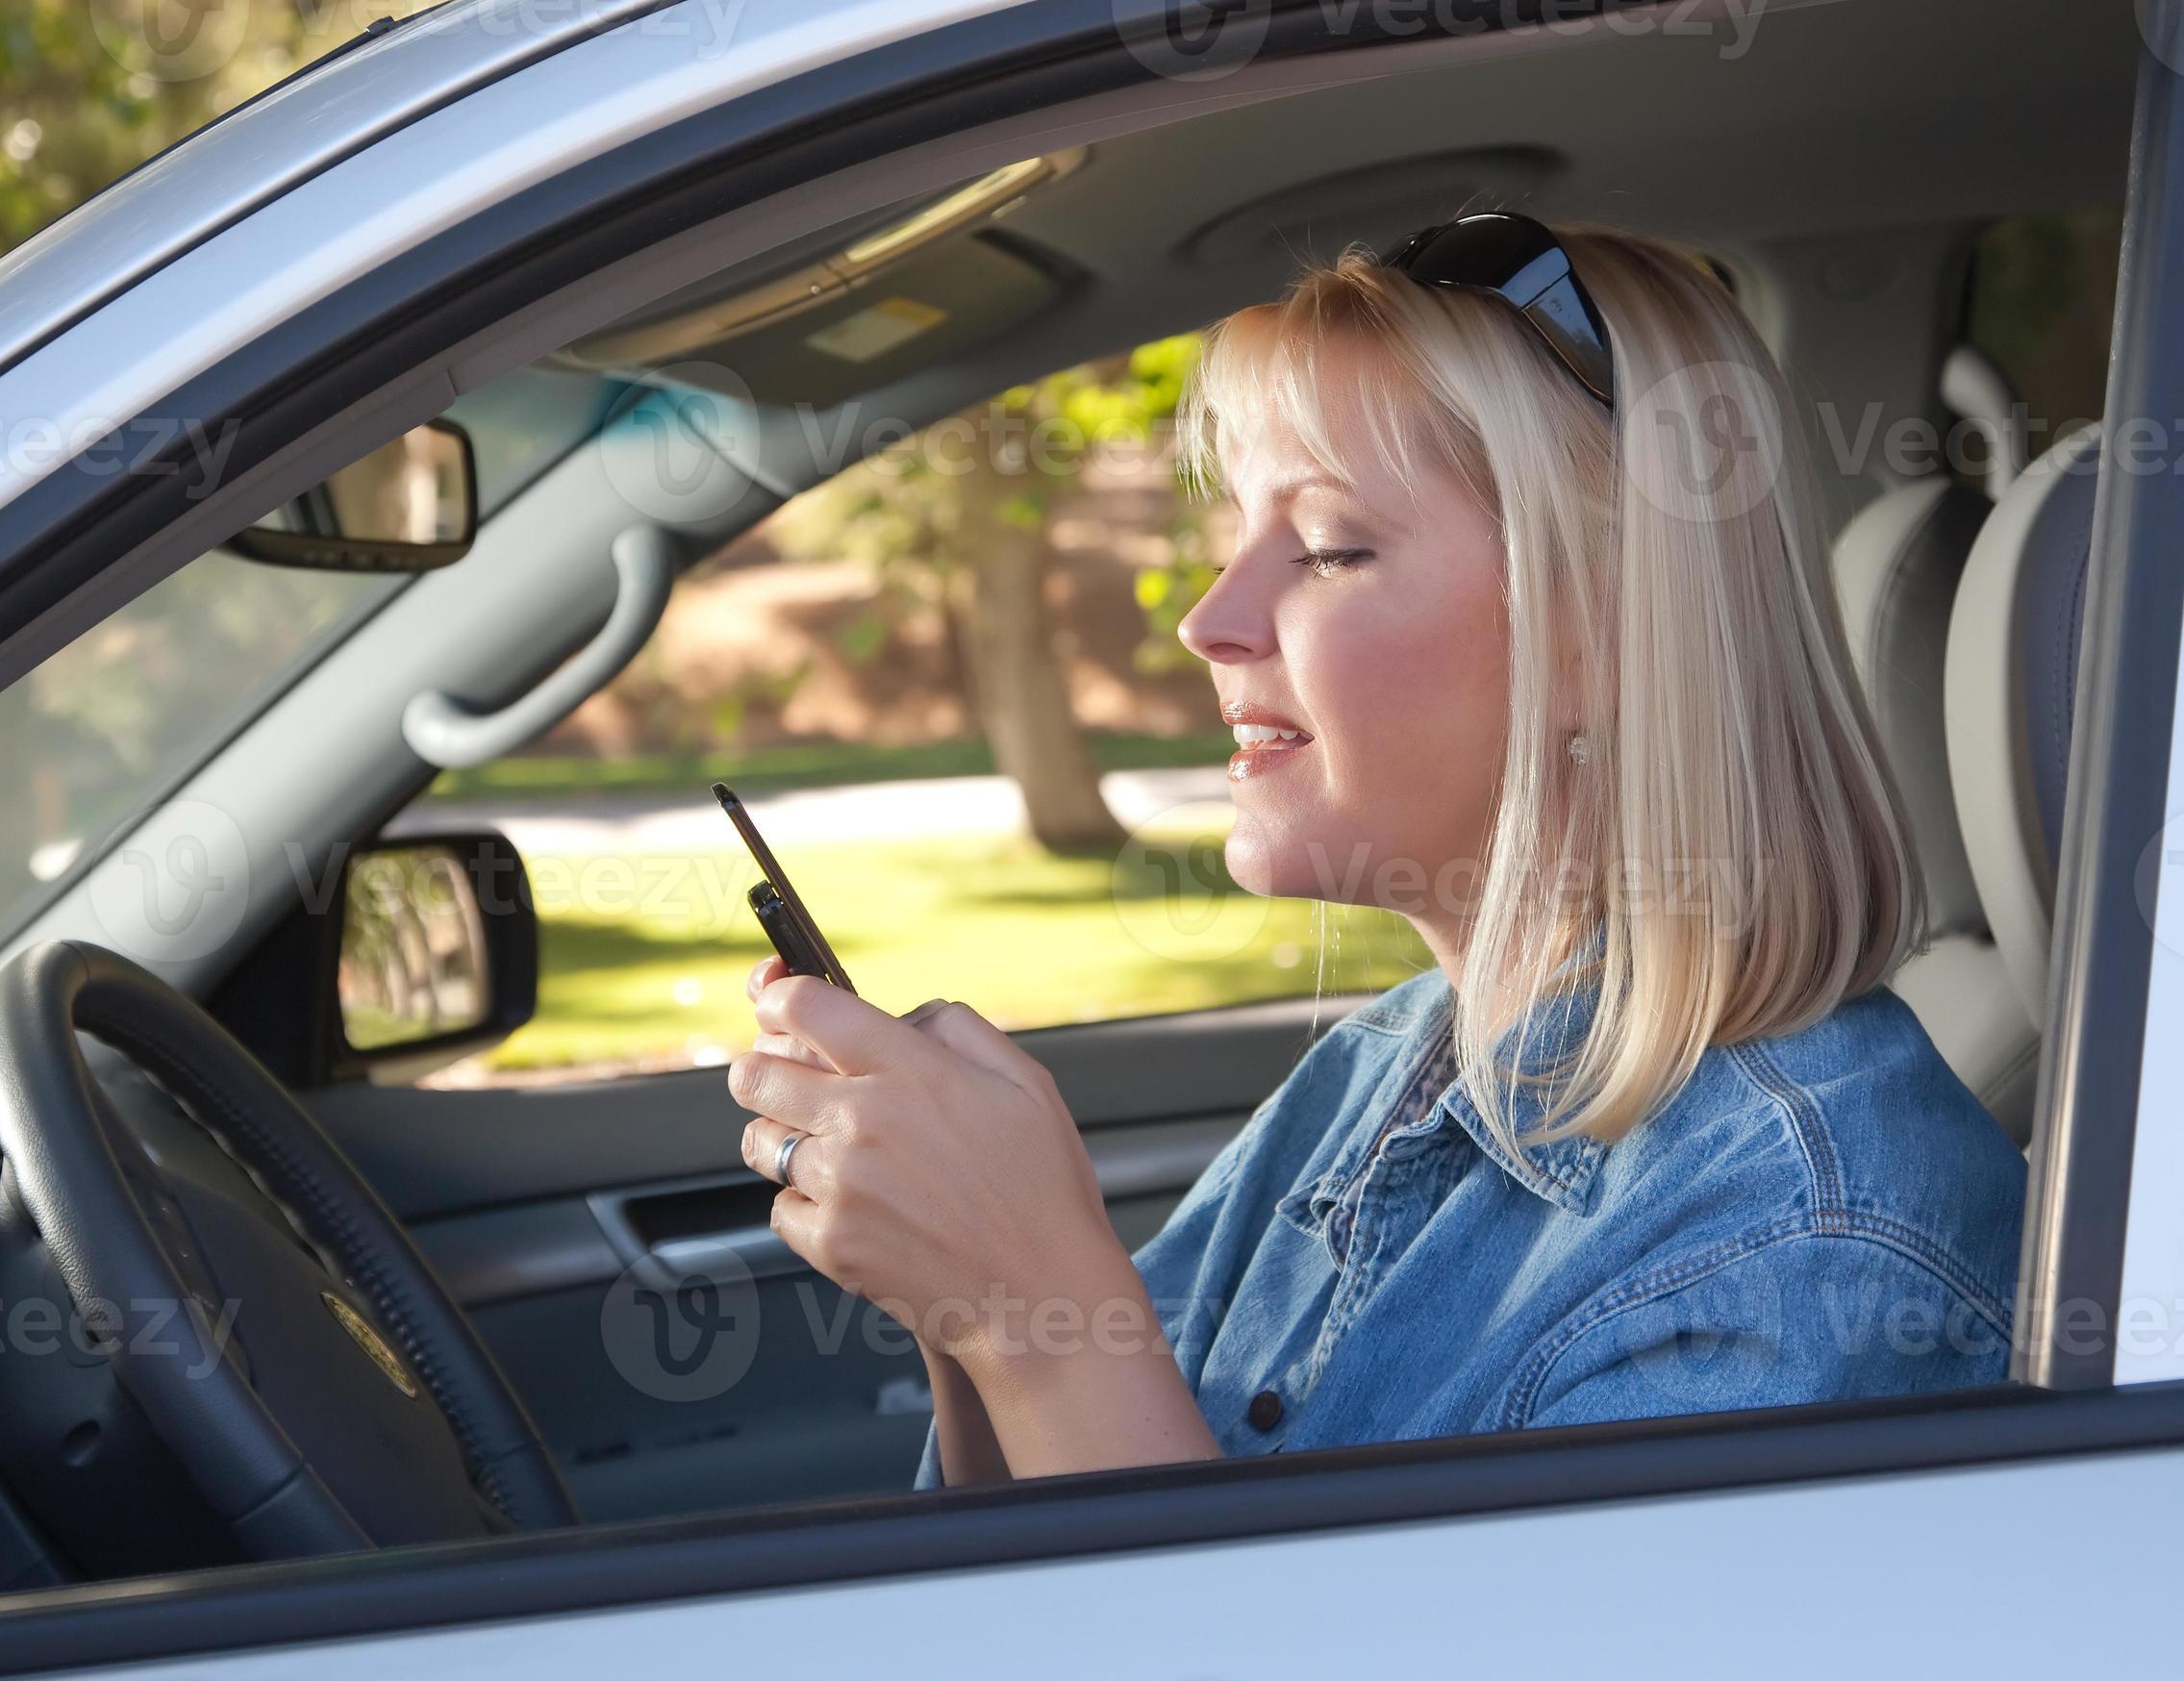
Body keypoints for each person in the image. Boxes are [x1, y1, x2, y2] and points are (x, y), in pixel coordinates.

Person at [724, 214, 2023, 1487]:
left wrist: (1031, 1308)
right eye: (1237, 533)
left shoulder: (1806, 1244)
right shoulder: (1390, 1063)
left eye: (1333, 547)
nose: (1209, 621)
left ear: (1605, 635)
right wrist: (965, 1295)